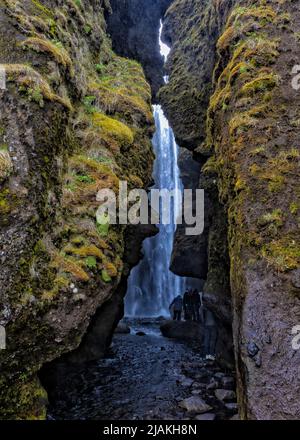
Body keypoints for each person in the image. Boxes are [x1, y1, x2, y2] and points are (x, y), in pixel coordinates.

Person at [200, 292, 218, 360]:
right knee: (212, 341)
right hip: (213, 325)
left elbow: (200, 313)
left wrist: (203, 322)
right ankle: (211, 355)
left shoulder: (204, 306)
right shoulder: (213, 306)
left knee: (206, 340)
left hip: (206, 325)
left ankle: (206, 355)